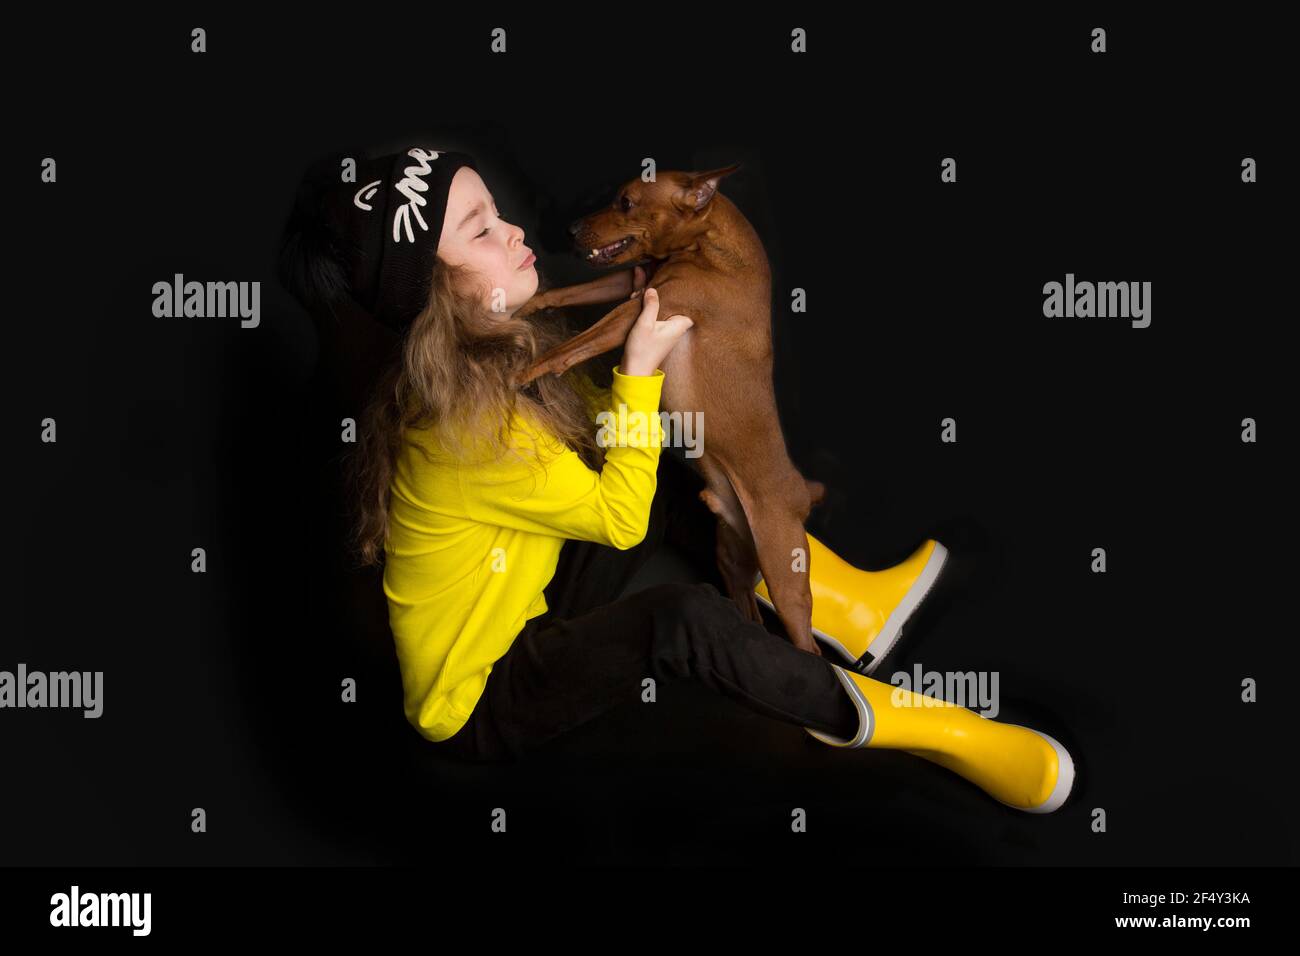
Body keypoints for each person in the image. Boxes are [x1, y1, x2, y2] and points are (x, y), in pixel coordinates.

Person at [278, 143, 1076, 813]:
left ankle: (850, 608)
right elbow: (621, 522)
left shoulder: (491, 358)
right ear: (436, 293)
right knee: (681, 620)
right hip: (484, 696)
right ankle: (932, 727)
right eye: (483, 230)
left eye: (498, 211)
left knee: (663, 447)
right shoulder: (466, 426)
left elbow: (608, 434)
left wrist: (668, 350)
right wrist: (638, 372)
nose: (518, 230)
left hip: (533, 593)